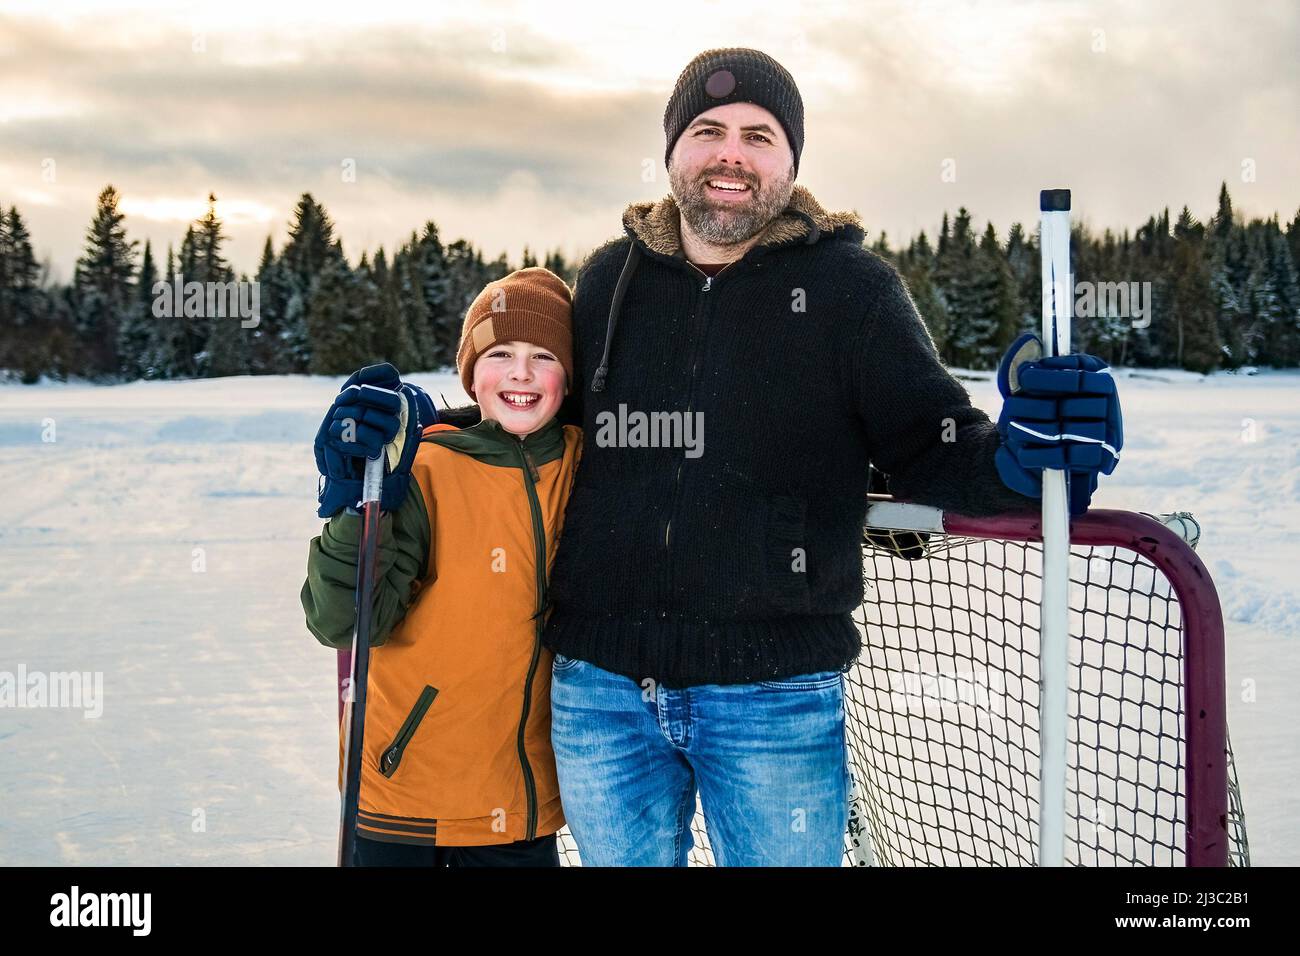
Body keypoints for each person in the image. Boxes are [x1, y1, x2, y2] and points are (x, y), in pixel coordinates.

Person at [301, 267, 582, 866]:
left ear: (569, 376)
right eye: (500, 353)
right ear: (472, 374)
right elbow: (345, 622)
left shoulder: (586, 466)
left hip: (519, 809)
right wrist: (358, 507)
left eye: (544, 355)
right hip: (403, 802)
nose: (522, 373)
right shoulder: (426, 469)